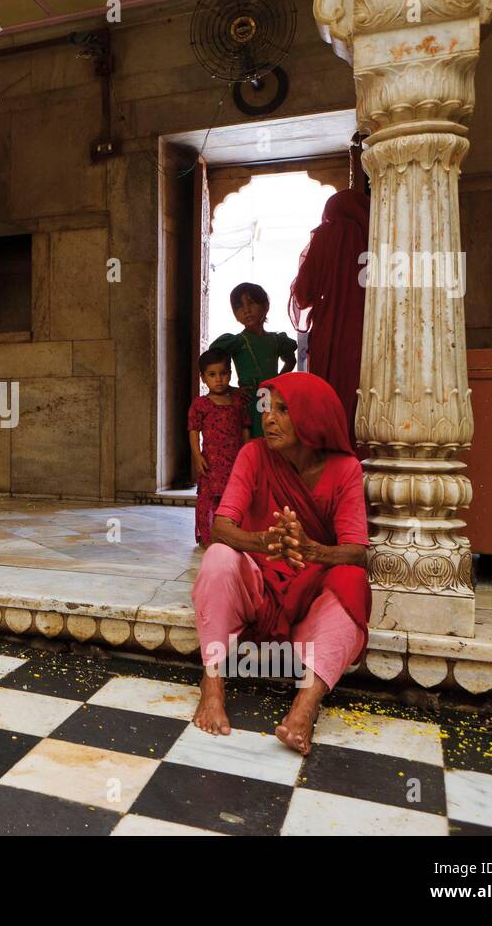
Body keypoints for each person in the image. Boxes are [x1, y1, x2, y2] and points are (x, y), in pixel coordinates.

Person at [190, 372, 371, 755]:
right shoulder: (254, 454)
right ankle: (212, 684)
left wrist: (309, 550)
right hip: (259, 584)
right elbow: (221, 526)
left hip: (308, 594)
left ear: (314, 417)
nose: (268, 418)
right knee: (220, 555)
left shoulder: (345, 469)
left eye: (283, 410)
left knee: (352, 581)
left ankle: (304, 709)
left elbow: (357, 550)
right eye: (267, 409)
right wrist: (262, 542)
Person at [289, 133, 371, 452]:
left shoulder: (324, 237)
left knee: (331, 400)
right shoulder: (377, 236)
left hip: (330, 338)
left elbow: (303, 294)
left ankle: (333, 467)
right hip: (369, 336)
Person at [211, 283, 297, 438]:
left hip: (272, 398)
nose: (246, 310)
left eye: (251, 303)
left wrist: (278, 381)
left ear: (265, 306)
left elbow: (291, 361)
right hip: (248, 401)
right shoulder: (237, 341)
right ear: (235, 315)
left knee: (273, 437)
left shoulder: (276, 340)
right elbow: (212, 362)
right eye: (239, 307)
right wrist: (232, 389)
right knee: (249, 440)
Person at [188, 349, 249, 546]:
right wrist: (197, 457)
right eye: (212, 375)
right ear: (203, 378)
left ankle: (233, 537)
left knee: (234, 498)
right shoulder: (200, 404)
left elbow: (246, 427)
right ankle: (208, 537)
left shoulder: (238, 401)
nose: (219, 379)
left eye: (223, 373)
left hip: (235, 461)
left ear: (230, 374)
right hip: (211, 462)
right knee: (209, 500)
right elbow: (193, 431)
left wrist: (247, 454)